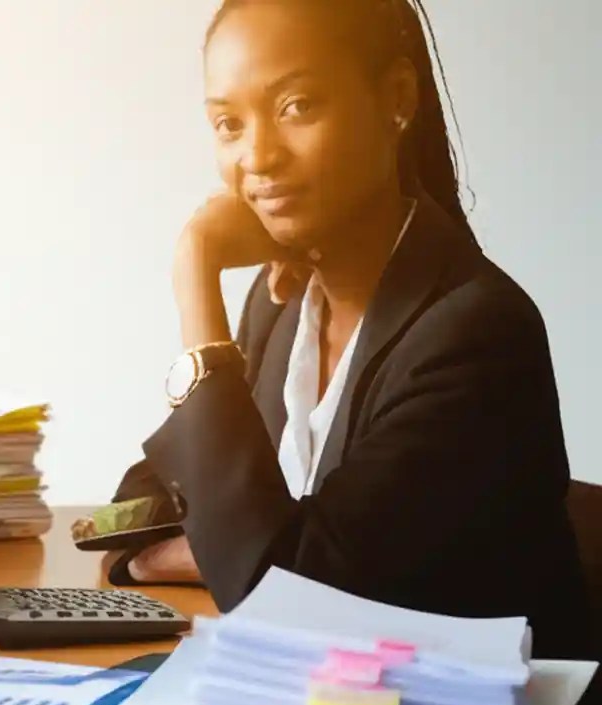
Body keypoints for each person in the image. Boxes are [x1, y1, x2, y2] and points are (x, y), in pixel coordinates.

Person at [112, 0, 592, 660]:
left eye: (297, 106)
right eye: (228, 123)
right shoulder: (280, 304)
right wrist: (228, 548)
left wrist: (194, 270)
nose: (258, 156)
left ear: (396, 99)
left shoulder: (475, 335)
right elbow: (136, 511)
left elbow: (275, 590)